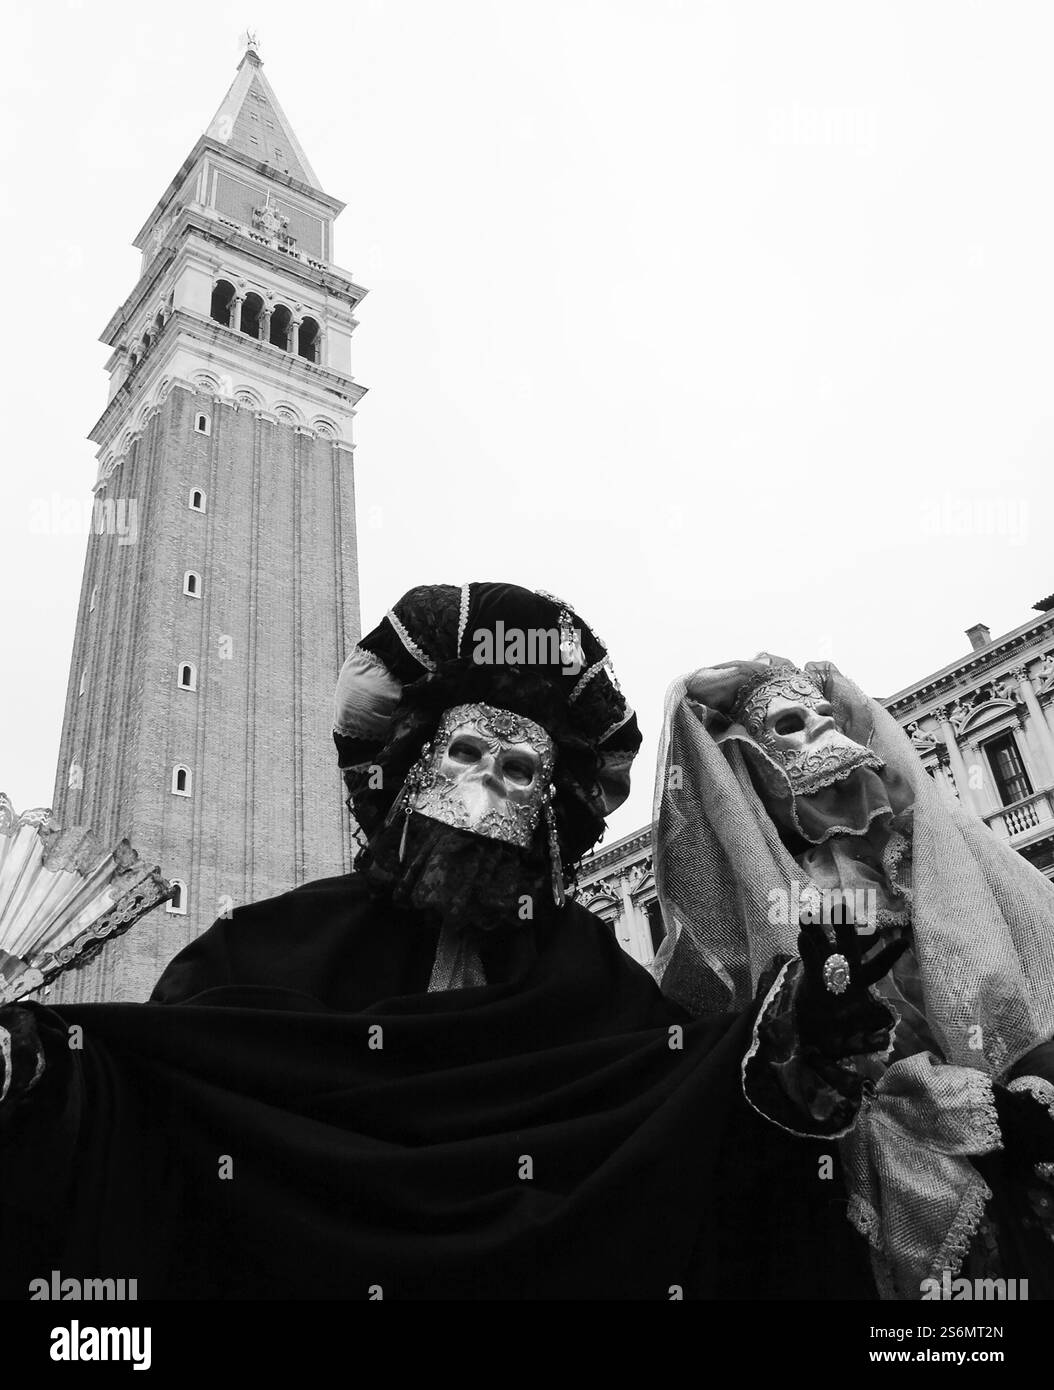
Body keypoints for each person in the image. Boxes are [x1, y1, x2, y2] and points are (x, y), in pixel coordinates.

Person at [2, 586, 892, 1299]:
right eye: (465, 754)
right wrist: (35, 1068)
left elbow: (690, 1112)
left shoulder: (590, 974)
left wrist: (798, 1044)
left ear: (548, 810)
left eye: (519, 770)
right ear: (413, 771)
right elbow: (153, 1085)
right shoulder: (274, 941)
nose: (488, 785)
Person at [653, 654, 1054, 1299]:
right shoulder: (773, 906)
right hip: (890, 1173)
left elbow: (1023, 963)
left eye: (823, 715)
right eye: (789, 723)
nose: (819, 729)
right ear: (750, 765)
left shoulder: (926, 853)